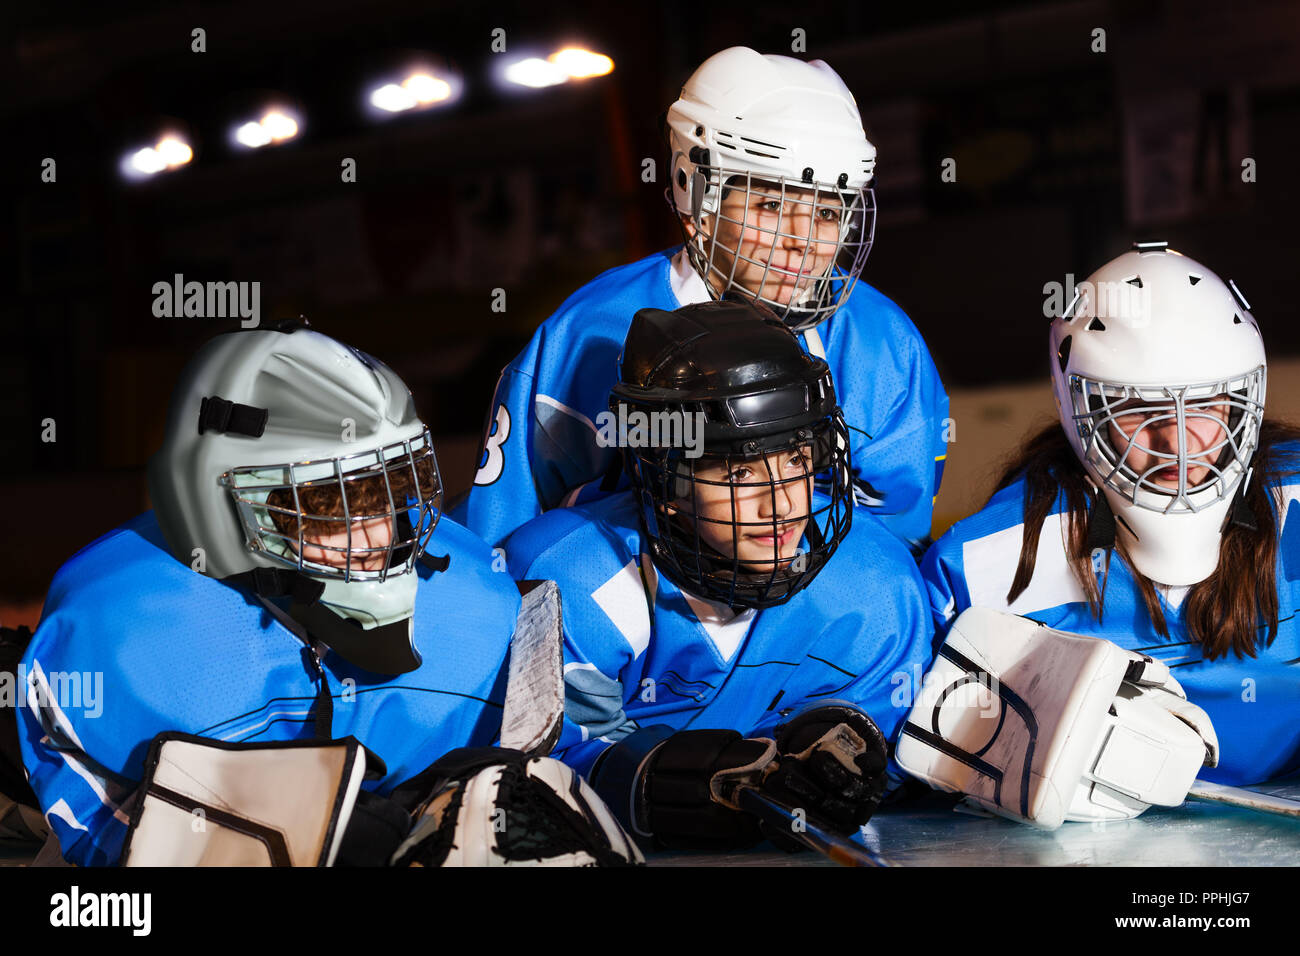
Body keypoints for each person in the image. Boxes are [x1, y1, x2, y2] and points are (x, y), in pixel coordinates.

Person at [16, 323, 637, 866]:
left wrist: (639, 771)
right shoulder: (119, 630)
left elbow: (571, 767)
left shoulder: (481, 600)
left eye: (392, 487)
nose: (378, 534)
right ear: (221, 507)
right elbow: (113, 857)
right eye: (327, 501)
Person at [455, 46, 948, 555]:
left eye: (826, 212)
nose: (804, 239)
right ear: (698, 200)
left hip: (808, 616)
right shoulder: (591, 332)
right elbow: (510, 536)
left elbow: (892, 542)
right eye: (772, 204)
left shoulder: (882, 341)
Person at [502, 300, 936, 850]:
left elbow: (885, 780)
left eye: (798, 460)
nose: (781, 505)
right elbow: (528, 771)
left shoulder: (875, 583)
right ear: (670, 480)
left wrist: (842, 763)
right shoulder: (571, 576)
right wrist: (650, 781)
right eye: (741, 471)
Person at [920, 243, 1300, 788]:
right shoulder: (986, 563)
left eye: (1209, 405)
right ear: (1080, 410)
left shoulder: (1297, 504)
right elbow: (930, 768)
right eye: (1138, 409)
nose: (1179, 441)